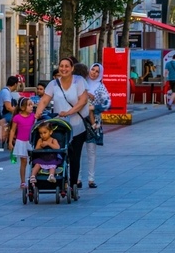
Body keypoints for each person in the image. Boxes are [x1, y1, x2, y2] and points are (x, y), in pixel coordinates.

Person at [34, 57, 91, 194]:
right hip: (61, 125)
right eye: (61, 66)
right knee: (60, 153)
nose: (64, 69)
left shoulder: (79, 81)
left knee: (74, 156)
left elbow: (83, 101)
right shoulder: (53, 84)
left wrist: (69, 112)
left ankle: (72, 184)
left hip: (77, 125)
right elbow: (44, 100)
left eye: (67, 66)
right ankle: (60, 179)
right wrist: (37, 113)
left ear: (72, 68)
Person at [75, 63, 110, 189]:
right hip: (78, 119)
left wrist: (93, 107)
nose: (94, 73)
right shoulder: (80, 83)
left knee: (91, 151)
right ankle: (77, 178)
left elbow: (107, 104)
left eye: (97, 71)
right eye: (92, 70)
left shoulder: (101, 87)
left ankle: (91, 179)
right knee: (77, 151)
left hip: (93, 122)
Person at [8, 97, 35, 188]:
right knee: (23, 162)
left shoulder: (33, 117)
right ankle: (23, 181)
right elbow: (12, 130)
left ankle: (33, 178)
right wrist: (10, 142)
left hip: (30, 142)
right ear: (22, 108)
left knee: (34, 161)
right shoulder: (17, 118)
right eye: (29, 105)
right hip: (21, 142)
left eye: (32, 105)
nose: (32, 107)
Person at [0, 76, 21, 144]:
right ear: (15, 84)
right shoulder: (6, 92)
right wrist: (19, 111)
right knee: (20, 119)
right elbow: (8, 107)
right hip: (2, 116)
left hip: (2, 114)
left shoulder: (4, 91)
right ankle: (14, 138)